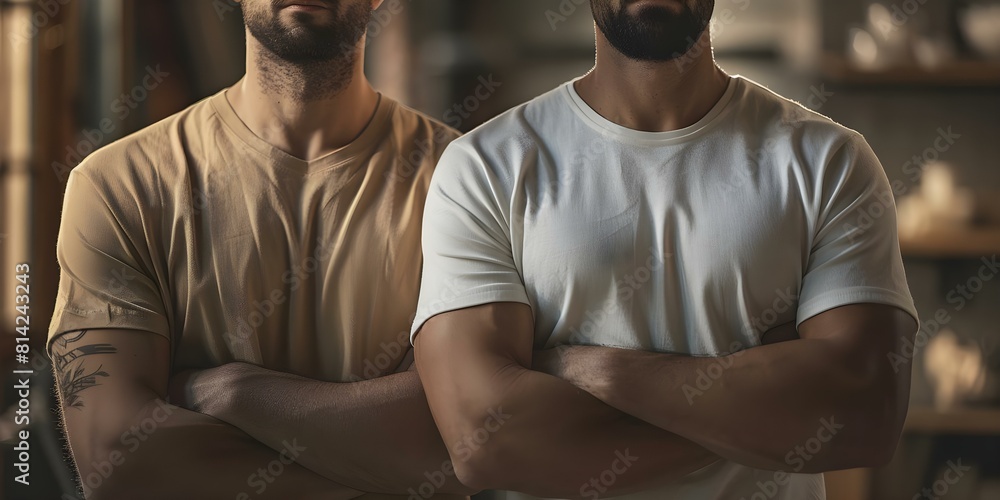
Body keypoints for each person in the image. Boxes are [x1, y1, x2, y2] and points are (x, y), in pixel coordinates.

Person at [411, 0, 919, 499]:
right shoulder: (482, 170)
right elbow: (485, 441)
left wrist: (599, 372)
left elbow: (864, 416)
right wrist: (765, 412)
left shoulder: (830, 162)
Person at [47, 1, 468, 498]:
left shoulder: (464, 183)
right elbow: (116, 456)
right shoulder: (119, 186)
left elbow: (472, 433)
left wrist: (241, 395)